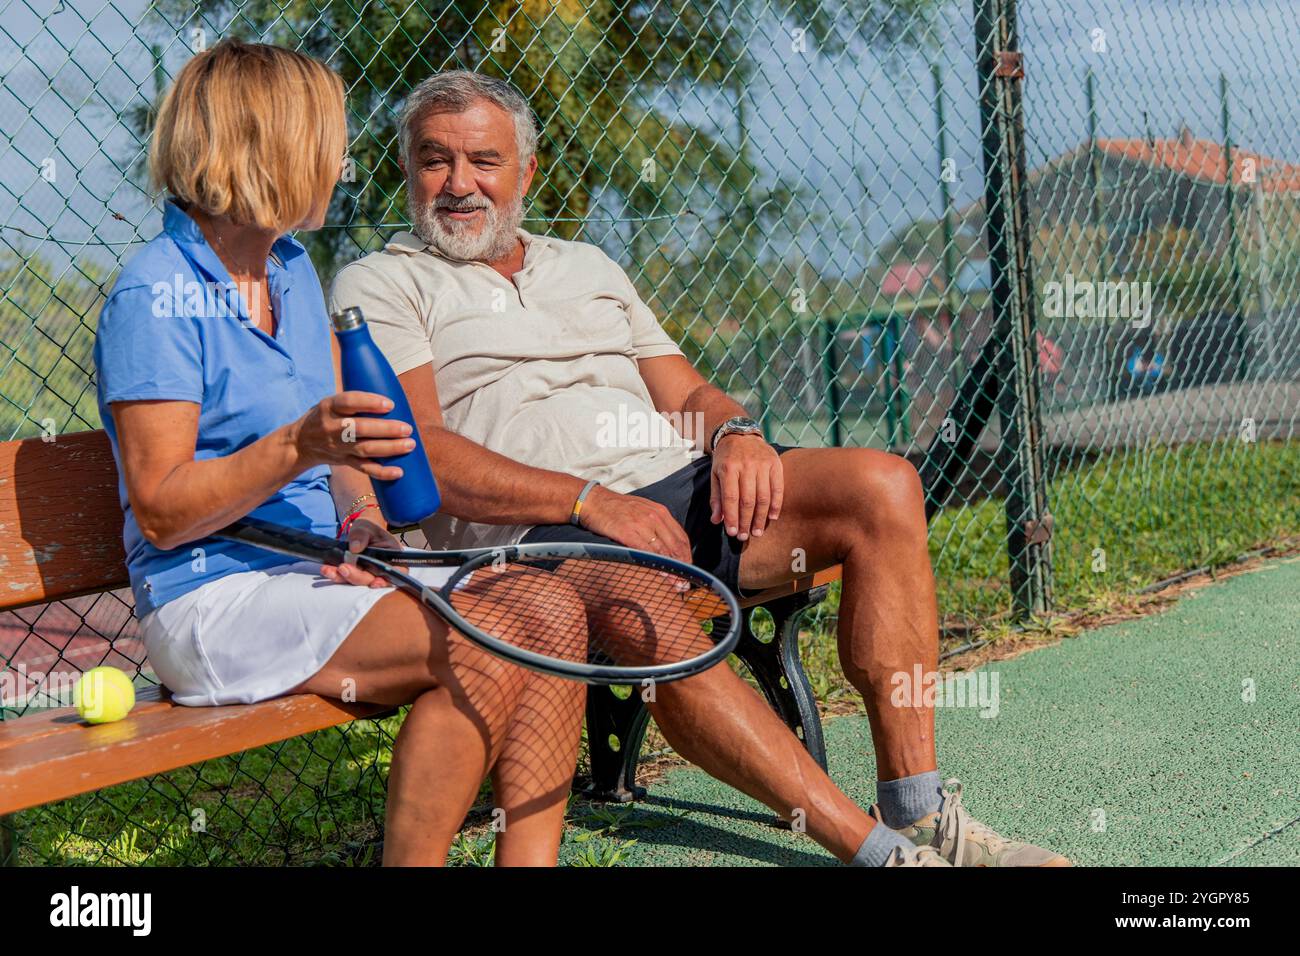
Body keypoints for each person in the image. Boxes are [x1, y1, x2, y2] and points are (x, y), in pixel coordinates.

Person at [330, 69, 1074, 867]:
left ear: (526, 172)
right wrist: (589, 502)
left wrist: (736, 435)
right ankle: (879, 854)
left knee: (884, 484)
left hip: (675, 488)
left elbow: (683, 391)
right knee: (640, 596)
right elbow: (421, 448)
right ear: (406, 168)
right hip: (539, 533)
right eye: (435, 160)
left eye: (484, 160)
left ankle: (918, 810)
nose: (459, 184)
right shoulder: (381, 282)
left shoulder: (586, 266)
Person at [93, 41, 586, 867]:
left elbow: (344, 436)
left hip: (312, 569)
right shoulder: (155, 296)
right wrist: (298, 446)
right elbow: (164, 510)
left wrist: (364, 525)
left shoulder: (288, 268)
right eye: (329, 140)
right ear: (268, 148)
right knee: (482, 638)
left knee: (550, 611)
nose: (344, 161)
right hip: (211, 596)